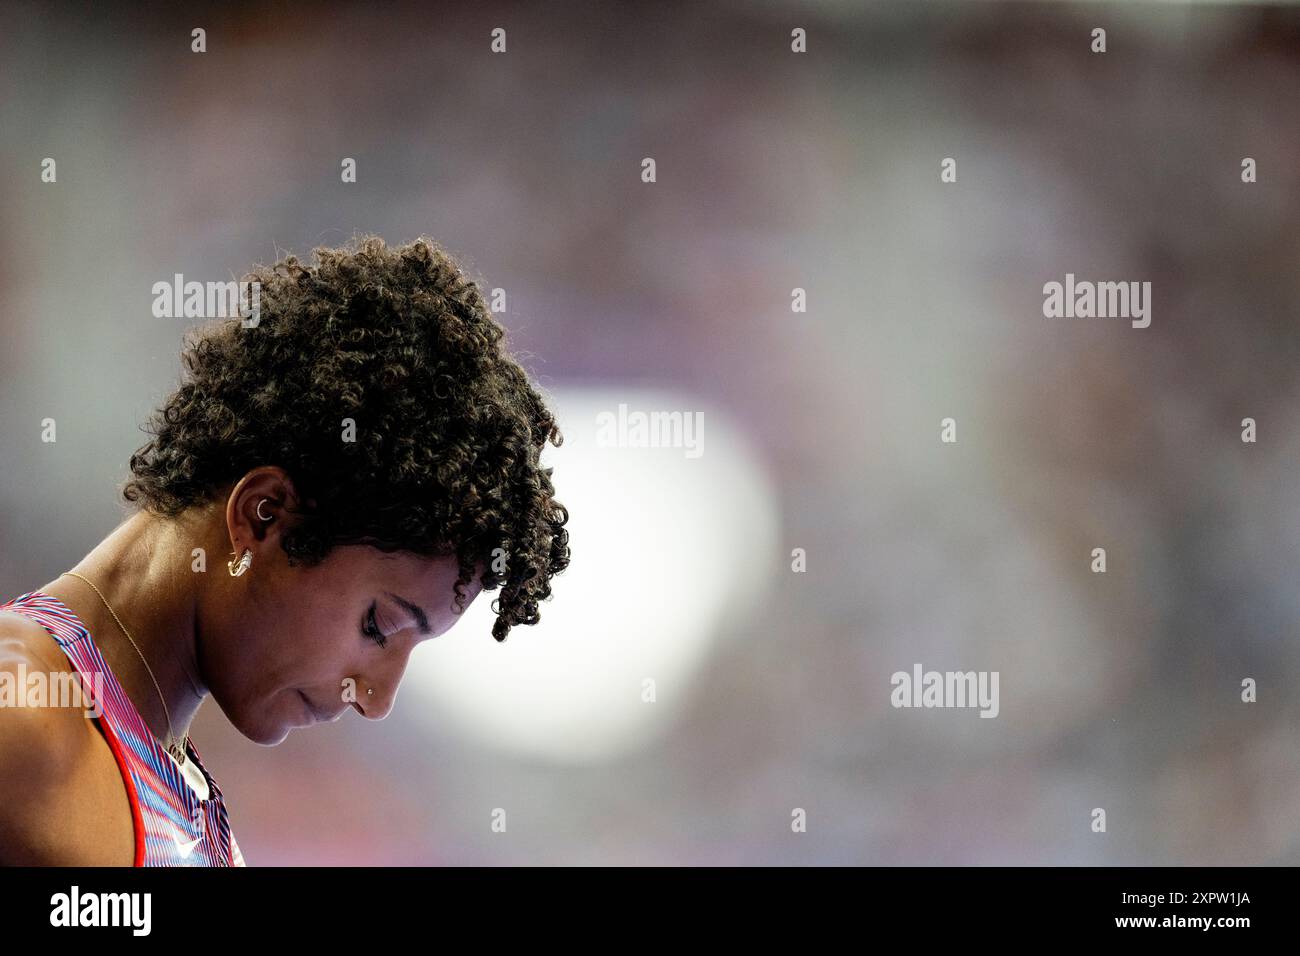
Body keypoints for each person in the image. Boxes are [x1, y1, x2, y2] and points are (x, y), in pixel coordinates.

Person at [0, 236, 570, 865]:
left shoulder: (169, 780)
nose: (376, 699)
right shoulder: (20, 716)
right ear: (262, 515)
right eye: (379, 626)